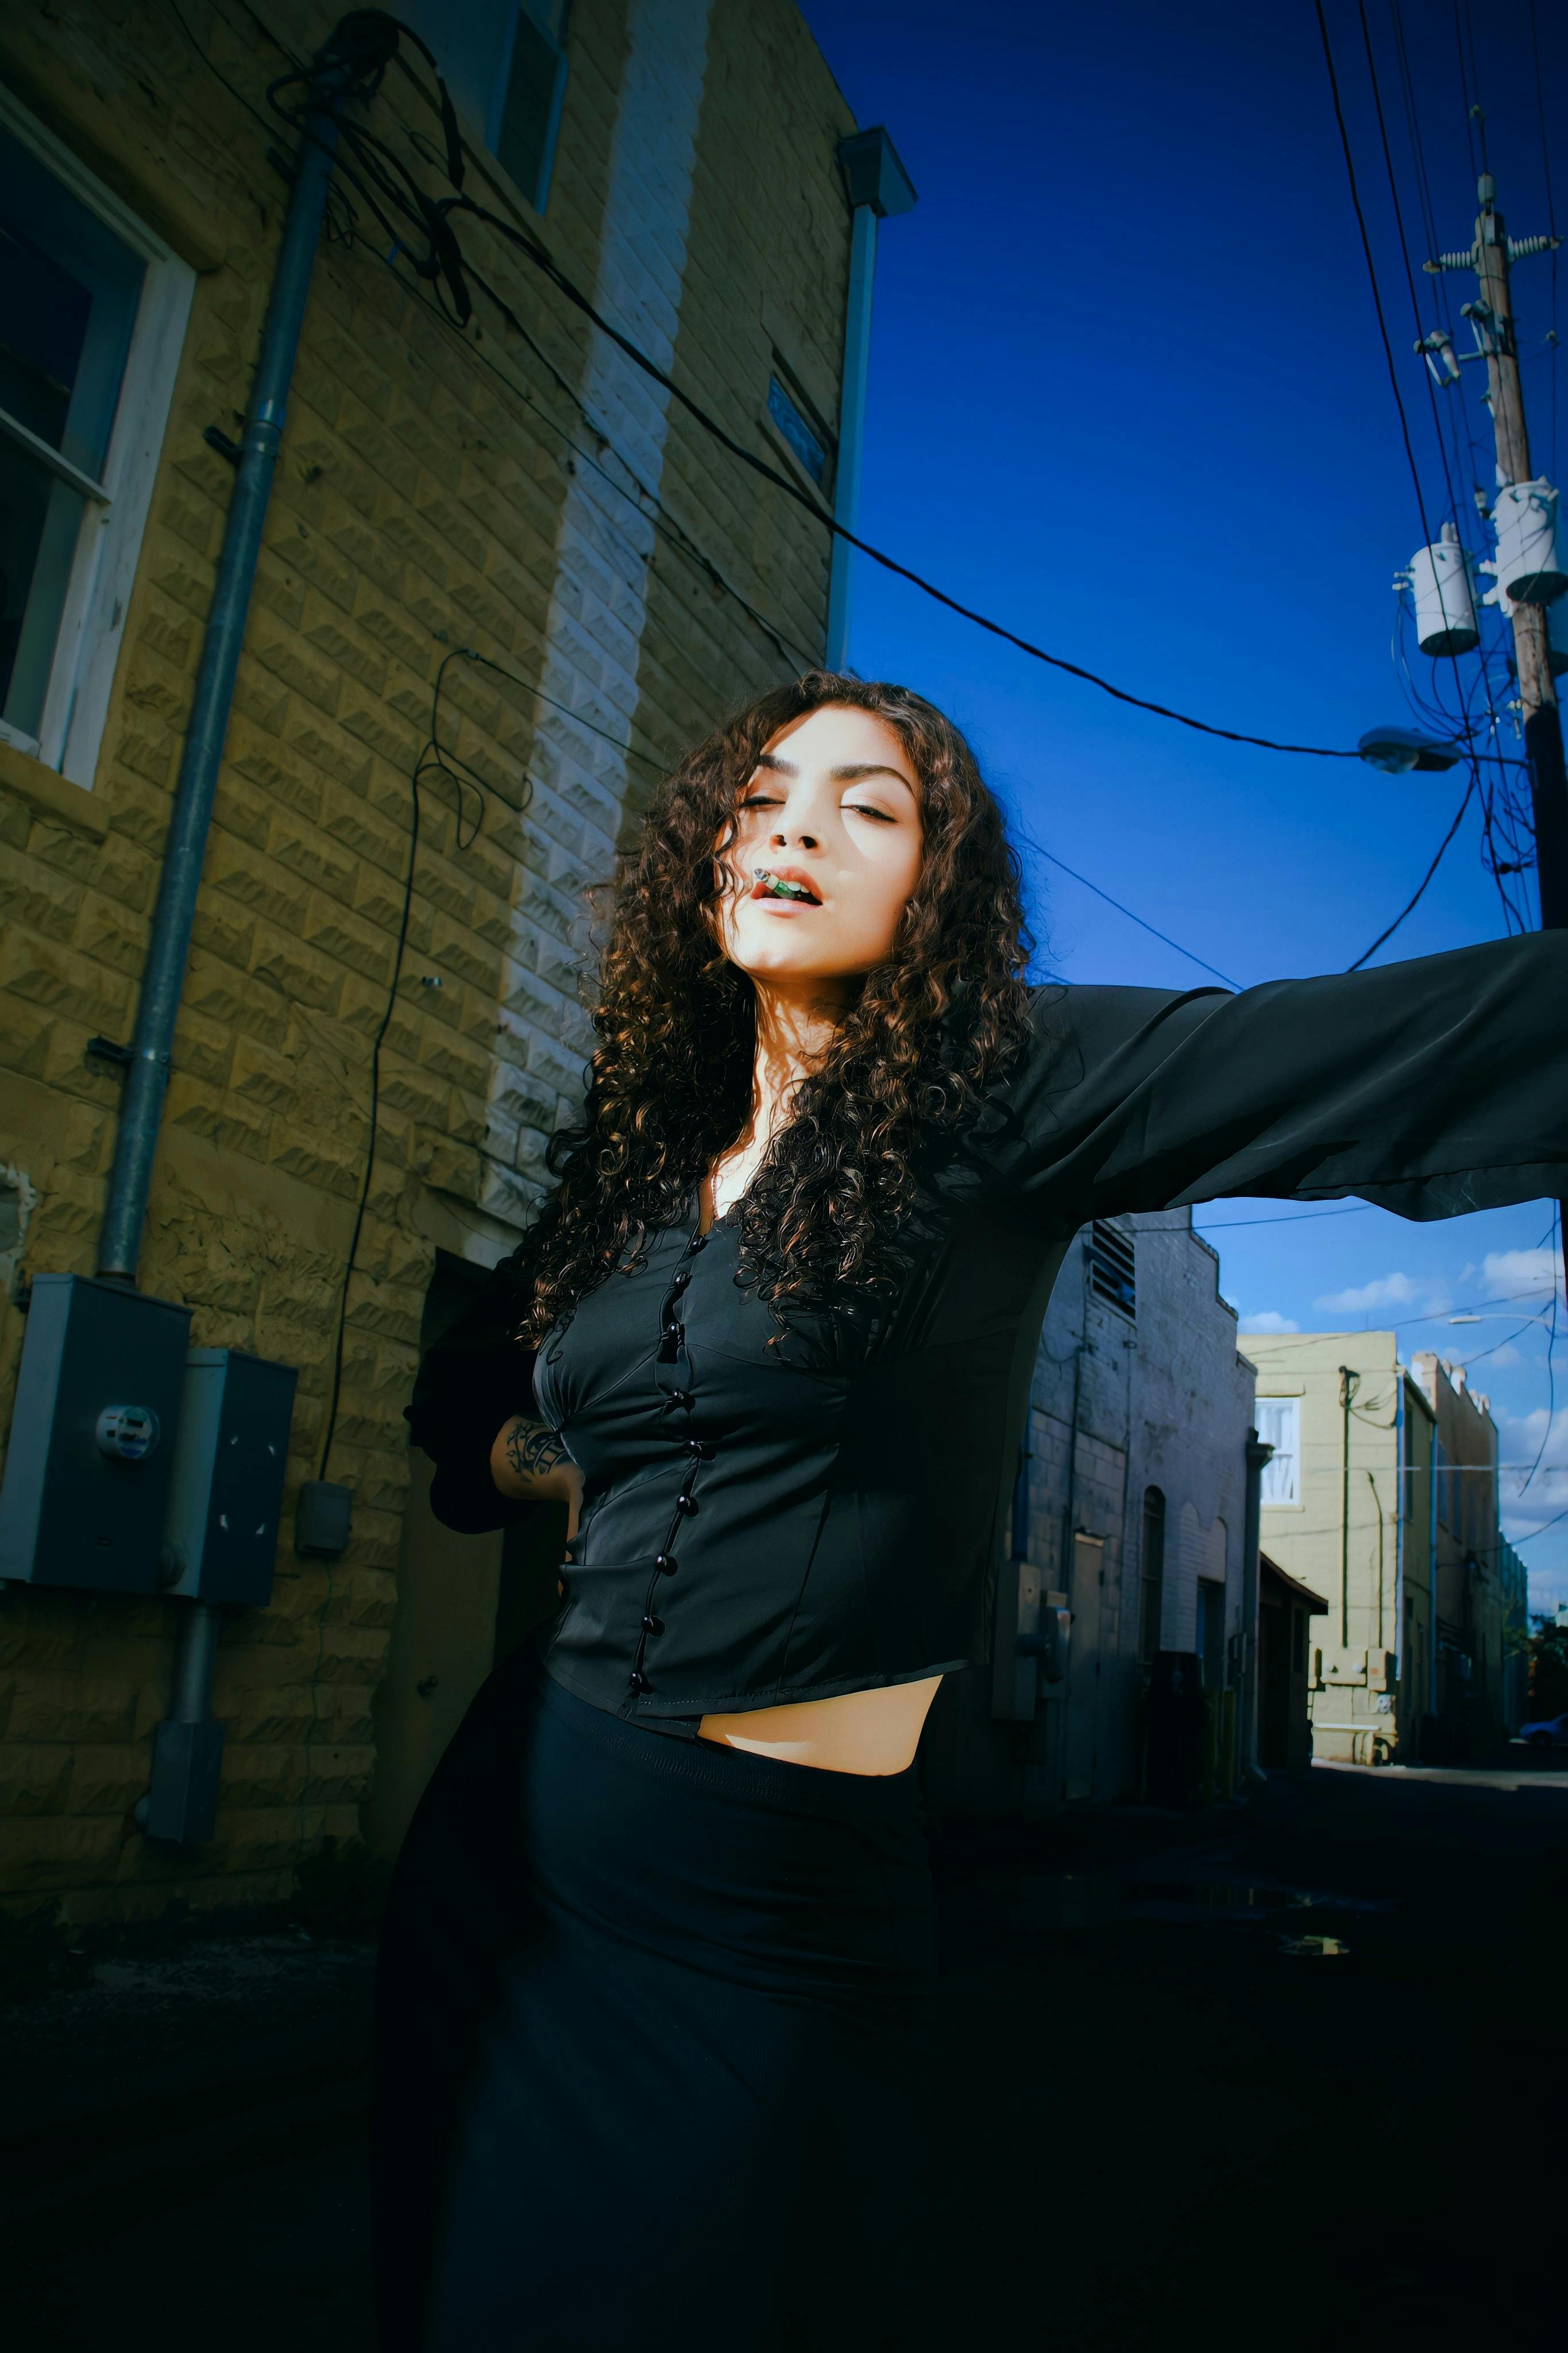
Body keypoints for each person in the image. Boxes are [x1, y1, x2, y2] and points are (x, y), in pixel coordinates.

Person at [374, 670, 1567, 2350]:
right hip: (511, 1846)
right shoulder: (641, 1152)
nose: (797, 827)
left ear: (934, 888)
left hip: (776, 1880)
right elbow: (457, 1412)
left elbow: (1393, 1046)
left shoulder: (997, 1081)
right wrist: (567, 1461)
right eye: (763, 795)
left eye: (867, 807)